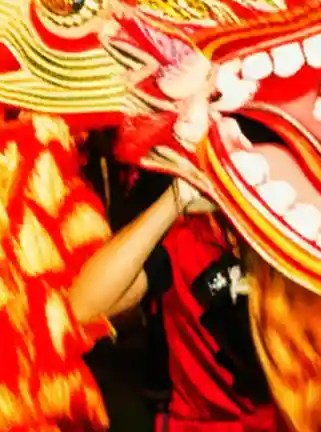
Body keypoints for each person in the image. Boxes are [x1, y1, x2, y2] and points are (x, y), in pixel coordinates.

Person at [67, 175, 281, 431]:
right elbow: (83, 308)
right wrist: (178, 196)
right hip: (202, 424)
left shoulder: (305, 246)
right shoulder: (190, 238)